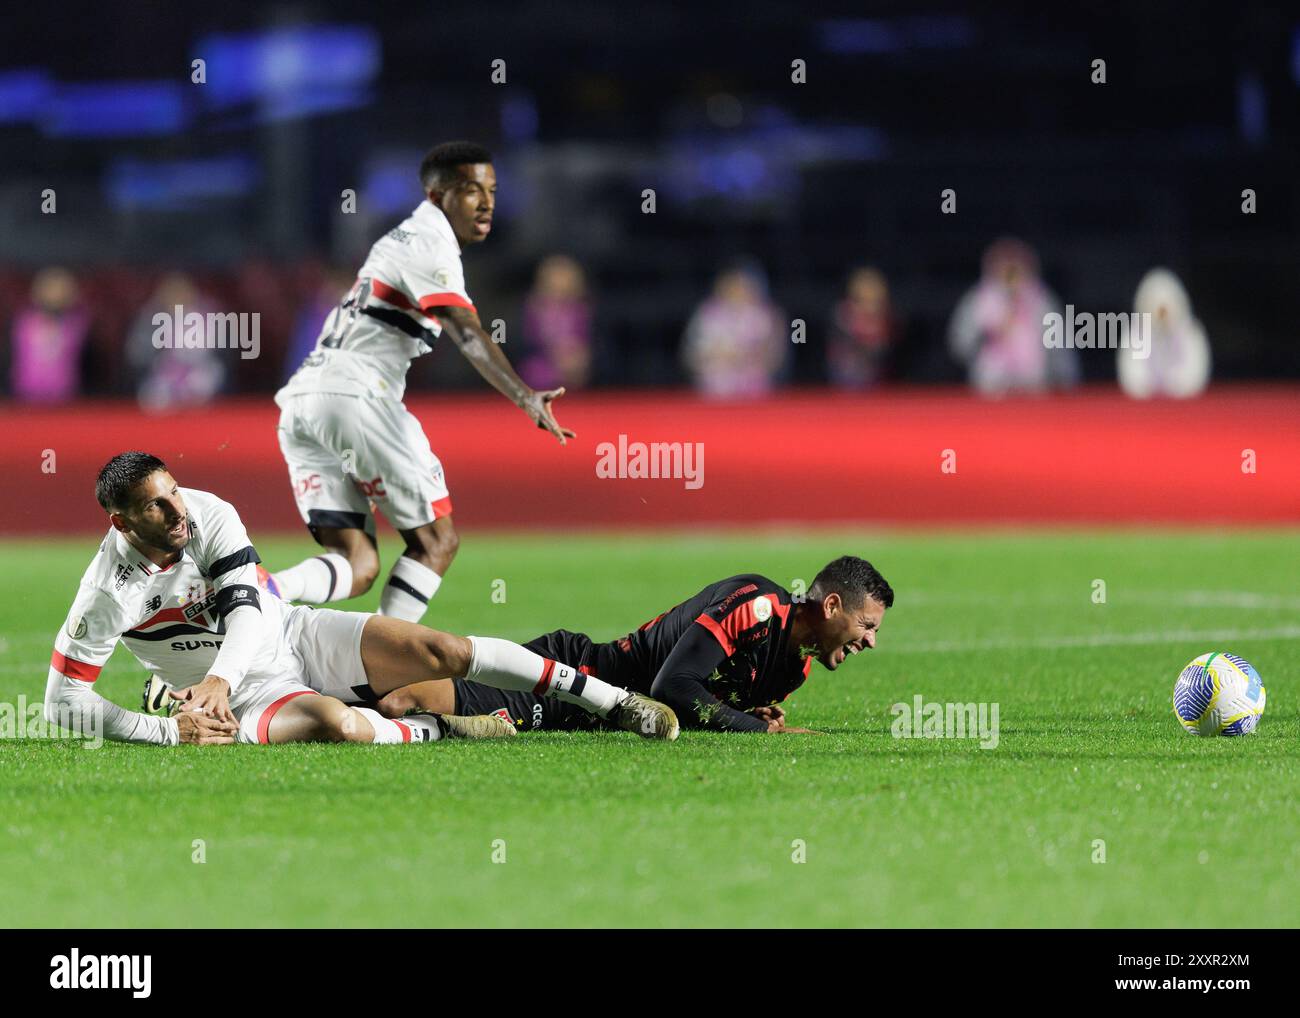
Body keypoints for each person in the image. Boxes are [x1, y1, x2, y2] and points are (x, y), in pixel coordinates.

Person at [44, 452, 679, 747]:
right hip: (246, 697)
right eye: (156, 505)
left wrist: (213, 674)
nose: (176, 509)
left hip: (289, 635)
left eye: (174, 490)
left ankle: (615, 702)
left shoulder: (207, 512)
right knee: (334, 724)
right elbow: (59, 704)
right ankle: (428, 728)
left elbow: (249, 608)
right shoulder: (108, 592)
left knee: (445, 649)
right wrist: (163, 731)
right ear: (121, 523)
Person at [270, 142, 572, 622]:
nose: (487, 202)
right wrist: (525, 396)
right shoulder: (430, 242)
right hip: (357, 395)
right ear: (437, 195)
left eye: (492, 190)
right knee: (437, 541)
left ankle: (255, 593)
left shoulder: (403, 239)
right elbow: (467, 333)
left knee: (357, 563)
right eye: (471, 190)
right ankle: (382, 671)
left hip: (305, 400)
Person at [374, 556, 893, 735]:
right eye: (867, 625)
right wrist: (756, 727)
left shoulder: (793, 671)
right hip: (573, 679)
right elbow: (673, 688)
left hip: (593, 713)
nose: (871, 641)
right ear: (831, 608)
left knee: (411, 710)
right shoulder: (757, 604)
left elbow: (698, 702)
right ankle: (316, 686)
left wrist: (743, 712)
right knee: (401, 699)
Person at [948, 238, 1077, 394]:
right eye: (1004, 266)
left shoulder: (1041, 299)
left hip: (1033, 382)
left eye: (1015, 266)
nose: (1010, 272)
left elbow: (1060, 344)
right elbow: (960, 344)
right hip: (992, 383)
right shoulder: (979, 300)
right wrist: (990, 332)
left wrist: (1066, 379)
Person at [681, 264, 786, 399]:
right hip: (714, 389)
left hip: (755, 390)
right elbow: (691, 354)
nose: (737, 291)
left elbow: (775, 355)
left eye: (742, 287)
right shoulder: (706, 314)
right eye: (732, 286)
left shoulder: (766, 315)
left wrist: (748, 357)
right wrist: (717, 356)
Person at [1118, 267, 1210, 398]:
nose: (1161, 312)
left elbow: (1195, 372)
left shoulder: (1190, 332)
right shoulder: (1137, 333)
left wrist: (1177, 384)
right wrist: (1146, 385)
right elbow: (1131, 374)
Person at [9, 267, 89, 403]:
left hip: (65, 394)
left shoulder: (77, 324)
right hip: (26, 393)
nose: (54, 295)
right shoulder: (25, 322)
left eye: (60, 290)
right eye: (50, 289)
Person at [519, 254, 593, 390]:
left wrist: (579, 355)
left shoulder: (582, 309)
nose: (559, 284)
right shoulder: (532, 308)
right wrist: (554, 353)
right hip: (541, 364)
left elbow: (588, 338)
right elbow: (525, 340)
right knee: (536, 372)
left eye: (564, 278)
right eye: (555, 279)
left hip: (577, 365)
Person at [827, 266, 896, 389]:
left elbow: (881, 351)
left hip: (881, 385)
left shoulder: (888, 319)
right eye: (864, 296)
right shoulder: (842, 315)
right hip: (844, 383)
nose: (869, 302)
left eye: (873, 297)